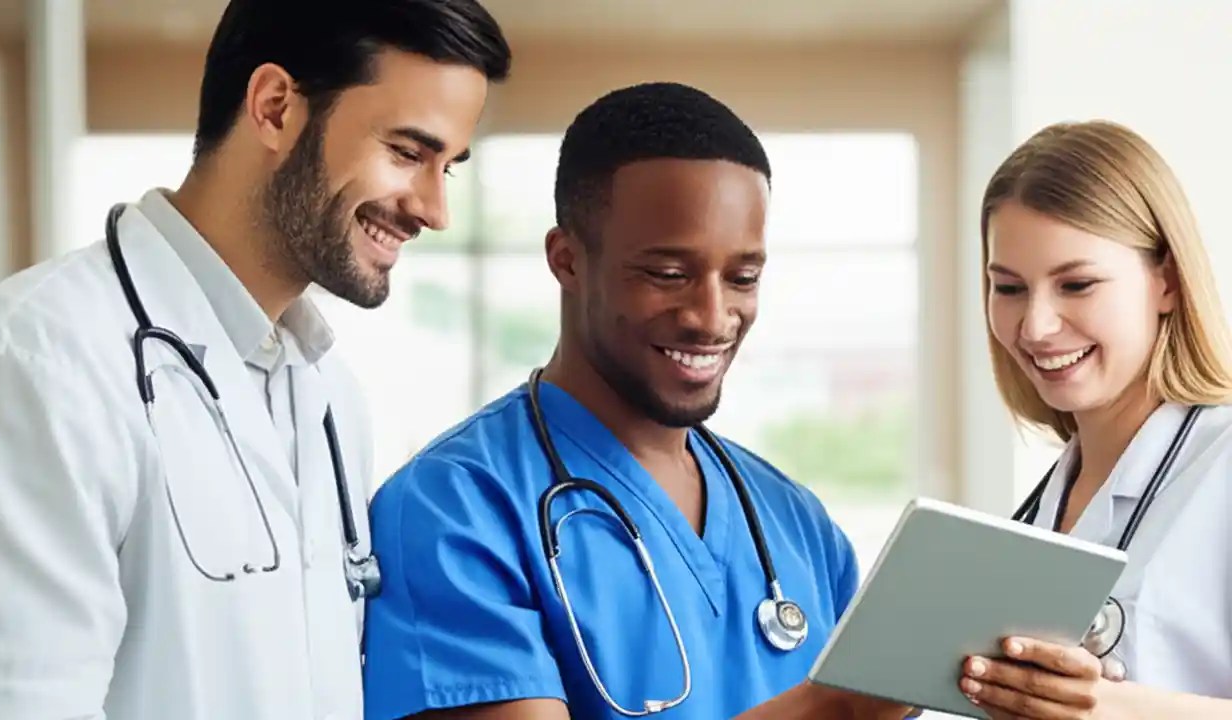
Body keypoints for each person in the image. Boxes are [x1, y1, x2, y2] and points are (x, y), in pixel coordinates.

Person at [0, 1, 510, 718]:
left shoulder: (331, 396)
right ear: (275, 108)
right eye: (408, 152)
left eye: (449, 168)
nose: (435, 209)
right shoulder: (37, 364)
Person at [361, 82, 914, 720]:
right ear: (567, 260)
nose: (713, 317)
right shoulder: (453, 509)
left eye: (743, 278)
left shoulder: (797, 525)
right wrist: (837, 707)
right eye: (668, 275)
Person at [957, 120, 1232, 718]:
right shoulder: (1047, 500)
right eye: (1008, 288)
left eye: (1076, 284)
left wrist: (1114, 710)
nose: (1035, 326)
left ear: (1166, 281)